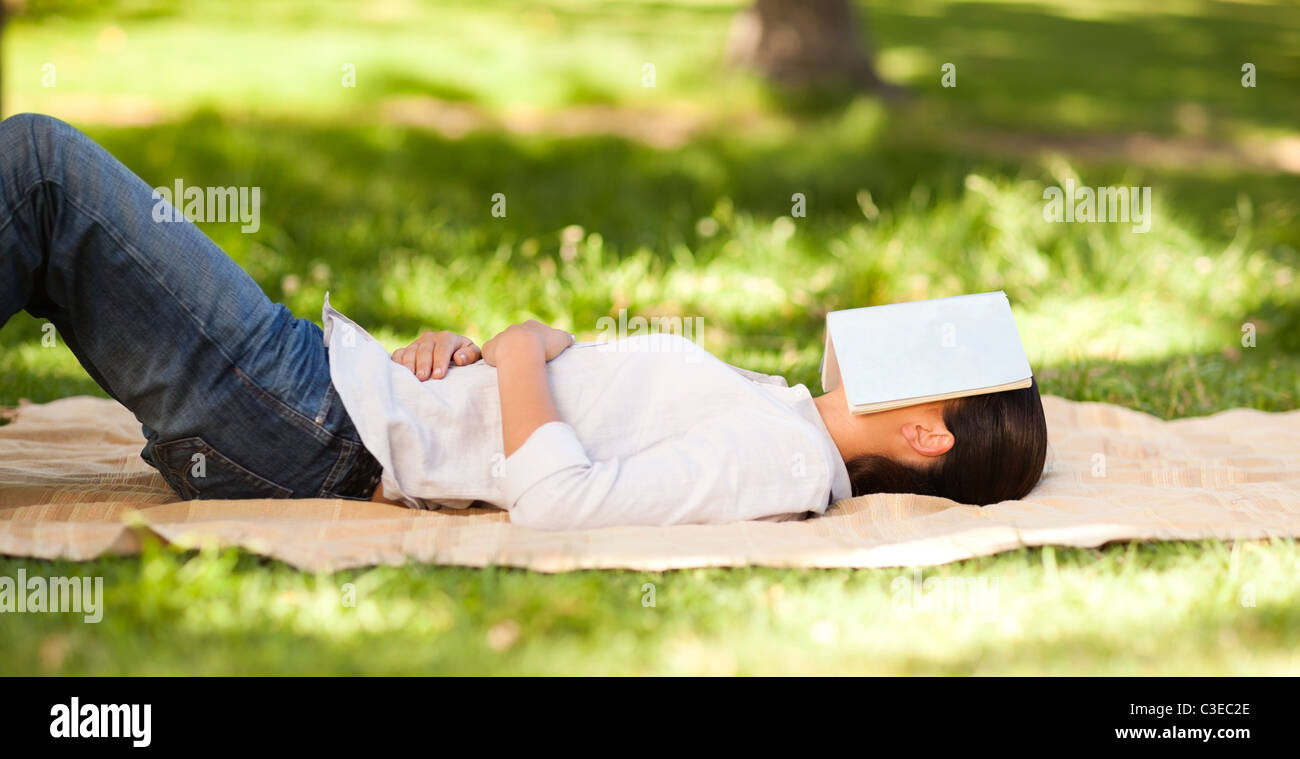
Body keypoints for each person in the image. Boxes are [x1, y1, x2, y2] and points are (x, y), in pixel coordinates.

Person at [0, 113, 1047, 530]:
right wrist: (483, 359)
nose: (916, 316)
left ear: (927, 432)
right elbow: (565, 407)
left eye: (940, 348)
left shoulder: (782, 460)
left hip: (308, 426)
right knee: (40, 180)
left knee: (42, 172)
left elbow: (558, 503)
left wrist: (513, 354)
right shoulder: (782, 412)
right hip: (327, 399)